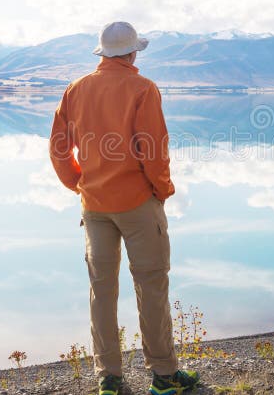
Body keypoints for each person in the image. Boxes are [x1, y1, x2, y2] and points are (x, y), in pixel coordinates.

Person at [49, 21, 199, 395]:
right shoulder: (143, 89)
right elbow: (153, 149)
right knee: (151, 286)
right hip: (137, 204)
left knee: (102, 290)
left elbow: (58, 147)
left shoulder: (76, 89)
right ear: (133, 54)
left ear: (103, 53)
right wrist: (162, 191)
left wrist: (77, 181)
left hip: (94, 205)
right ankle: (164, 376)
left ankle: (109, 379)